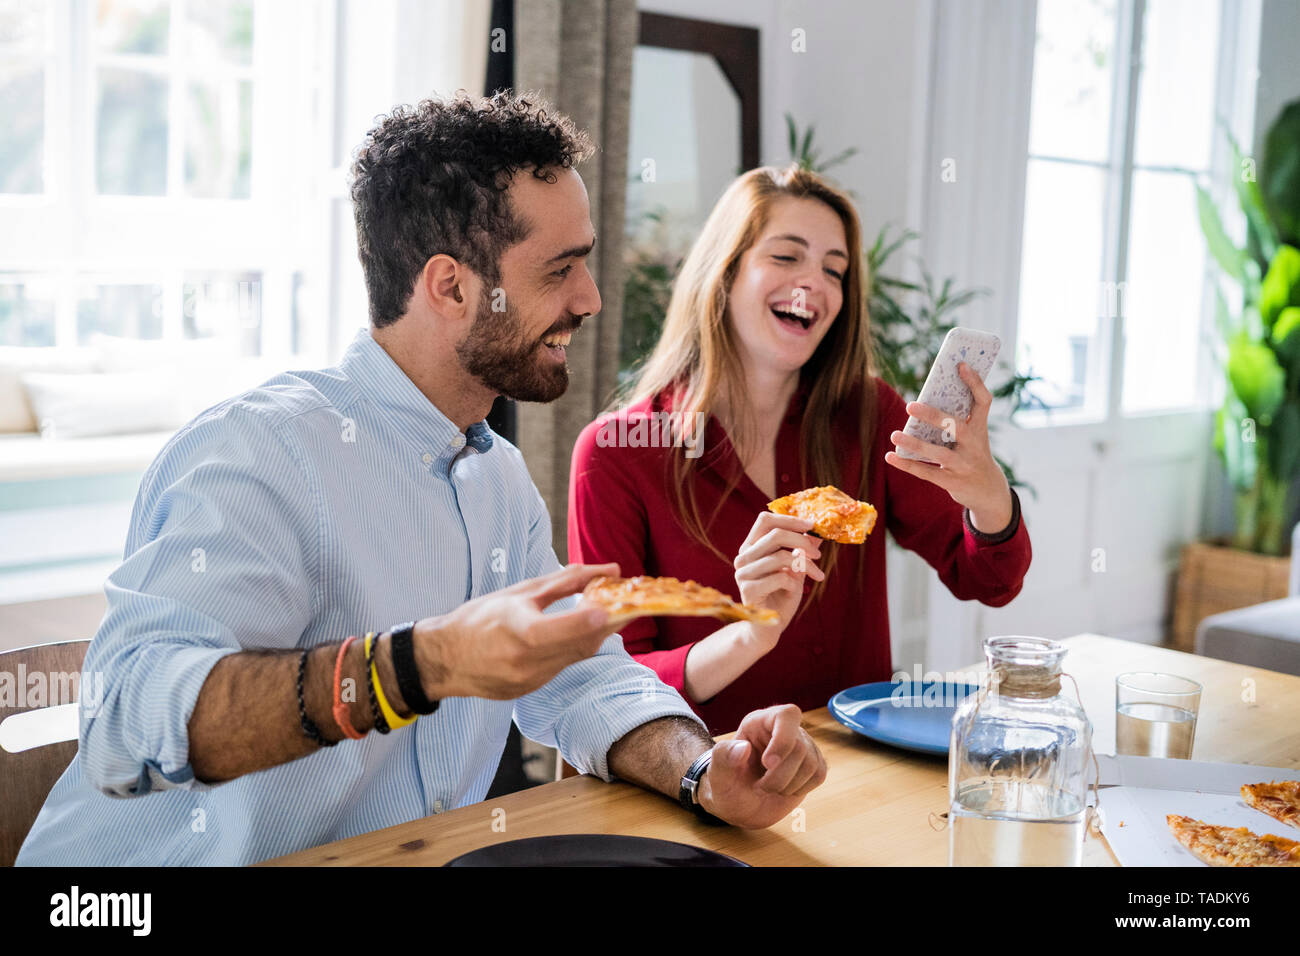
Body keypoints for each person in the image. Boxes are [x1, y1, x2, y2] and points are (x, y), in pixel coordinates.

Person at [16, 93, 826, 866]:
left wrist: (701, 771)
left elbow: (582, 678)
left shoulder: (497, 476)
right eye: (560, 270)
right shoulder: (257, 452)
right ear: (451, 286)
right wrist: (419, 665)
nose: (590, 299)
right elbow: (125, 721)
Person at [568, 164, 1032, 736]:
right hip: (704, 771)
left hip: (858, 765)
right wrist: (749, 634)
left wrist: (988, 494)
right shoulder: (615, 452)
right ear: (725, 272)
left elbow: (987, 580)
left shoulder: (870, 415)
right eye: (786, 256)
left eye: (834, 270)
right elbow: (616, 685)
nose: (814, 282)